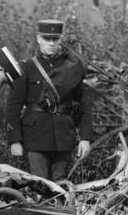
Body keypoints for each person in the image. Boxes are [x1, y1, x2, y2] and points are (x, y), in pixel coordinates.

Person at [6, 20, 94, 181]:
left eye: (55, 39)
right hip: (35, 137)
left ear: (61, 40)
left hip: (63, 137)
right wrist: (15, 141)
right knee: (40, 184)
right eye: (47, 39)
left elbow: (84, 106)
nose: (51, 43)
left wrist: (85, 138)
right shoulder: (26, 67)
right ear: (39, 39)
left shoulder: (71, 69)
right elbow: (13, 107)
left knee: (61, 185)